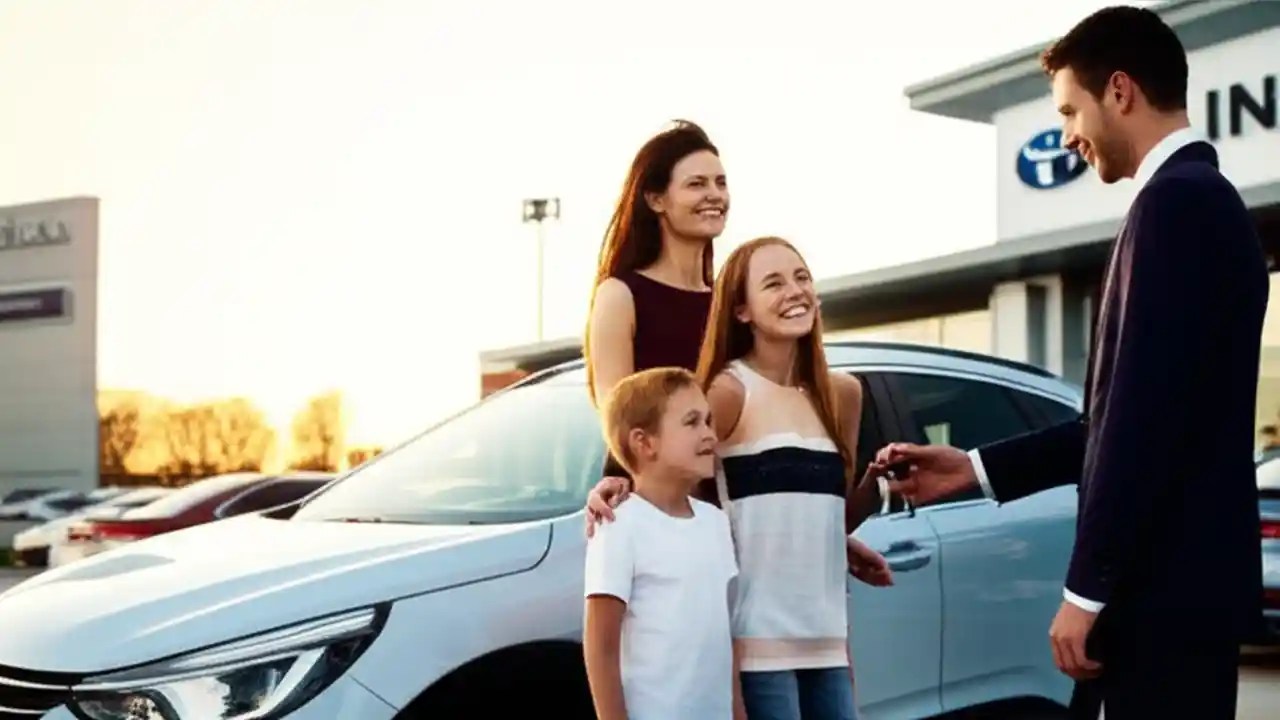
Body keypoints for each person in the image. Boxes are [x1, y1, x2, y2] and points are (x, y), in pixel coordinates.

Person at [876, 7, 1268, 719]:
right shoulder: (1198, 203)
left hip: (1161, 601)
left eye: (1069, 111)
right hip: (1178, 599)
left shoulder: (1175, 207)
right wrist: (972, 468)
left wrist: (1085, 593)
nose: (1067, 136)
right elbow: (1118, 419)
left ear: (1119, 91)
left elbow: (1141, 428)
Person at [698, 236, 889, 720]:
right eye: (774, 283)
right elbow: (685, 502)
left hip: (828, 640)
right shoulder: (726, 392)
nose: (795, 291)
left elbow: (833, 516)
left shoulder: (842, 394)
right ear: (741, 311)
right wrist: (615, 485)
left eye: (802, 277)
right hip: (756, 645)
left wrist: (878, 483)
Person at [582, 367, 745, 720]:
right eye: (692, 422)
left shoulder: (714, 523)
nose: (709, 434)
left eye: (708, 421)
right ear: (645, 442)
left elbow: (721, 639)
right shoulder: (619, 525)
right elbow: (600, 649)